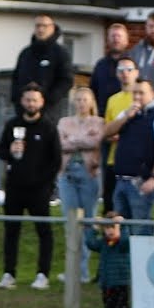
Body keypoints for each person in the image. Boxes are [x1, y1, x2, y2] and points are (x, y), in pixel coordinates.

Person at [0, 84, 61, 291]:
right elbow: (0, 150)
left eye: (35, 100)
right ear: (22, 101)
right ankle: (9, 273)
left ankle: (42, 274)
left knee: (43, 231)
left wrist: (46, 184)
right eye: (27, 99)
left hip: (39, 190)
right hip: (15, 187)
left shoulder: (48, 127)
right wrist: (10, 150)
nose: (31, 104)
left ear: (41, 102)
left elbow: (56, 160)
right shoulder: (12, 125)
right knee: (11, 231)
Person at [103, 79, 154, 236]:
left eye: (141, 93)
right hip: (121, 179)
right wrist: (126, 117)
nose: (137, 97)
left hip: (141, 181)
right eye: (134, 93)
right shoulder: (130, 113)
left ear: (152, 94)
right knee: (120, 231)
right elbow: (107, 131)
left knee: (140, 228)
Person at [56, 87, 105, 282]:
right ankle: (72, 270)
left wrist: (73, 140)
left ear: (91, 102)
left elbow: (97, 142)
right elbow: (61, 144)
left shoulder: (99, 122)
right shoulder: (64, 122)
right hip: (67, 173)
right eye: (78, 100)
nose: (81, 103)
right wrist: (83, 140)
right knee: (71, 221)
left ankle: (83, 271)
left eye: (85, 100)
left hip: (89, 172)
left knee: (88, 220)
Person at [11, 14, 73, 123]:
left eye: (45, 26)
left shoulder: (60, 53)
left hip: (49, 112)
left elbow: (66, 80)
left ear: (52, 28)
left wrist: (47, 100)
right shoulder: (25, 53)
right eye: (38, 26)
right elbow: (16, 78)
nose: (41, 29)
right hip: (23, 111)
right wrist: (17, 99)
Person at [86, 213, 133, 308]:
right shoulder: (104, 243)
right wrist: (94, 227)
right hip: (106, 283)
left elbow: (126, 239)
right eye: (107, 228)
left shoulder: (122, 244)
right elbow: (91, 243)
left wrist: (123, 225)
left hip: (121, 283)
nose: (110, 231)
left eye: (113, 227)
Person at [102, 57, 140, 214]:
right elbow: (106, 130)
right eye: (121, 70)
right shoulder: (112, 100)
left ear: (136, 73)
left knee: (134, 208)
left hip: (135, 161)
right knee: (111, 206)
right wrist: (111, 136)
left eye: (129, 70)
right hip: (114, 159)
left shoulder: (140, 98)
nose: (125, 73)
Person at [90, 24, 130, 120]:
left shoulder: (132, 65)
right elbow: (93, 91)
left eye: (119, 36)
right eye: (113, 36)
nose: (116, 39)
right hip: (103, 116)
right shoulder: (100, 65)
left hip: (127, 116)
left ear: (126, 40)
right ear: (107, 39)